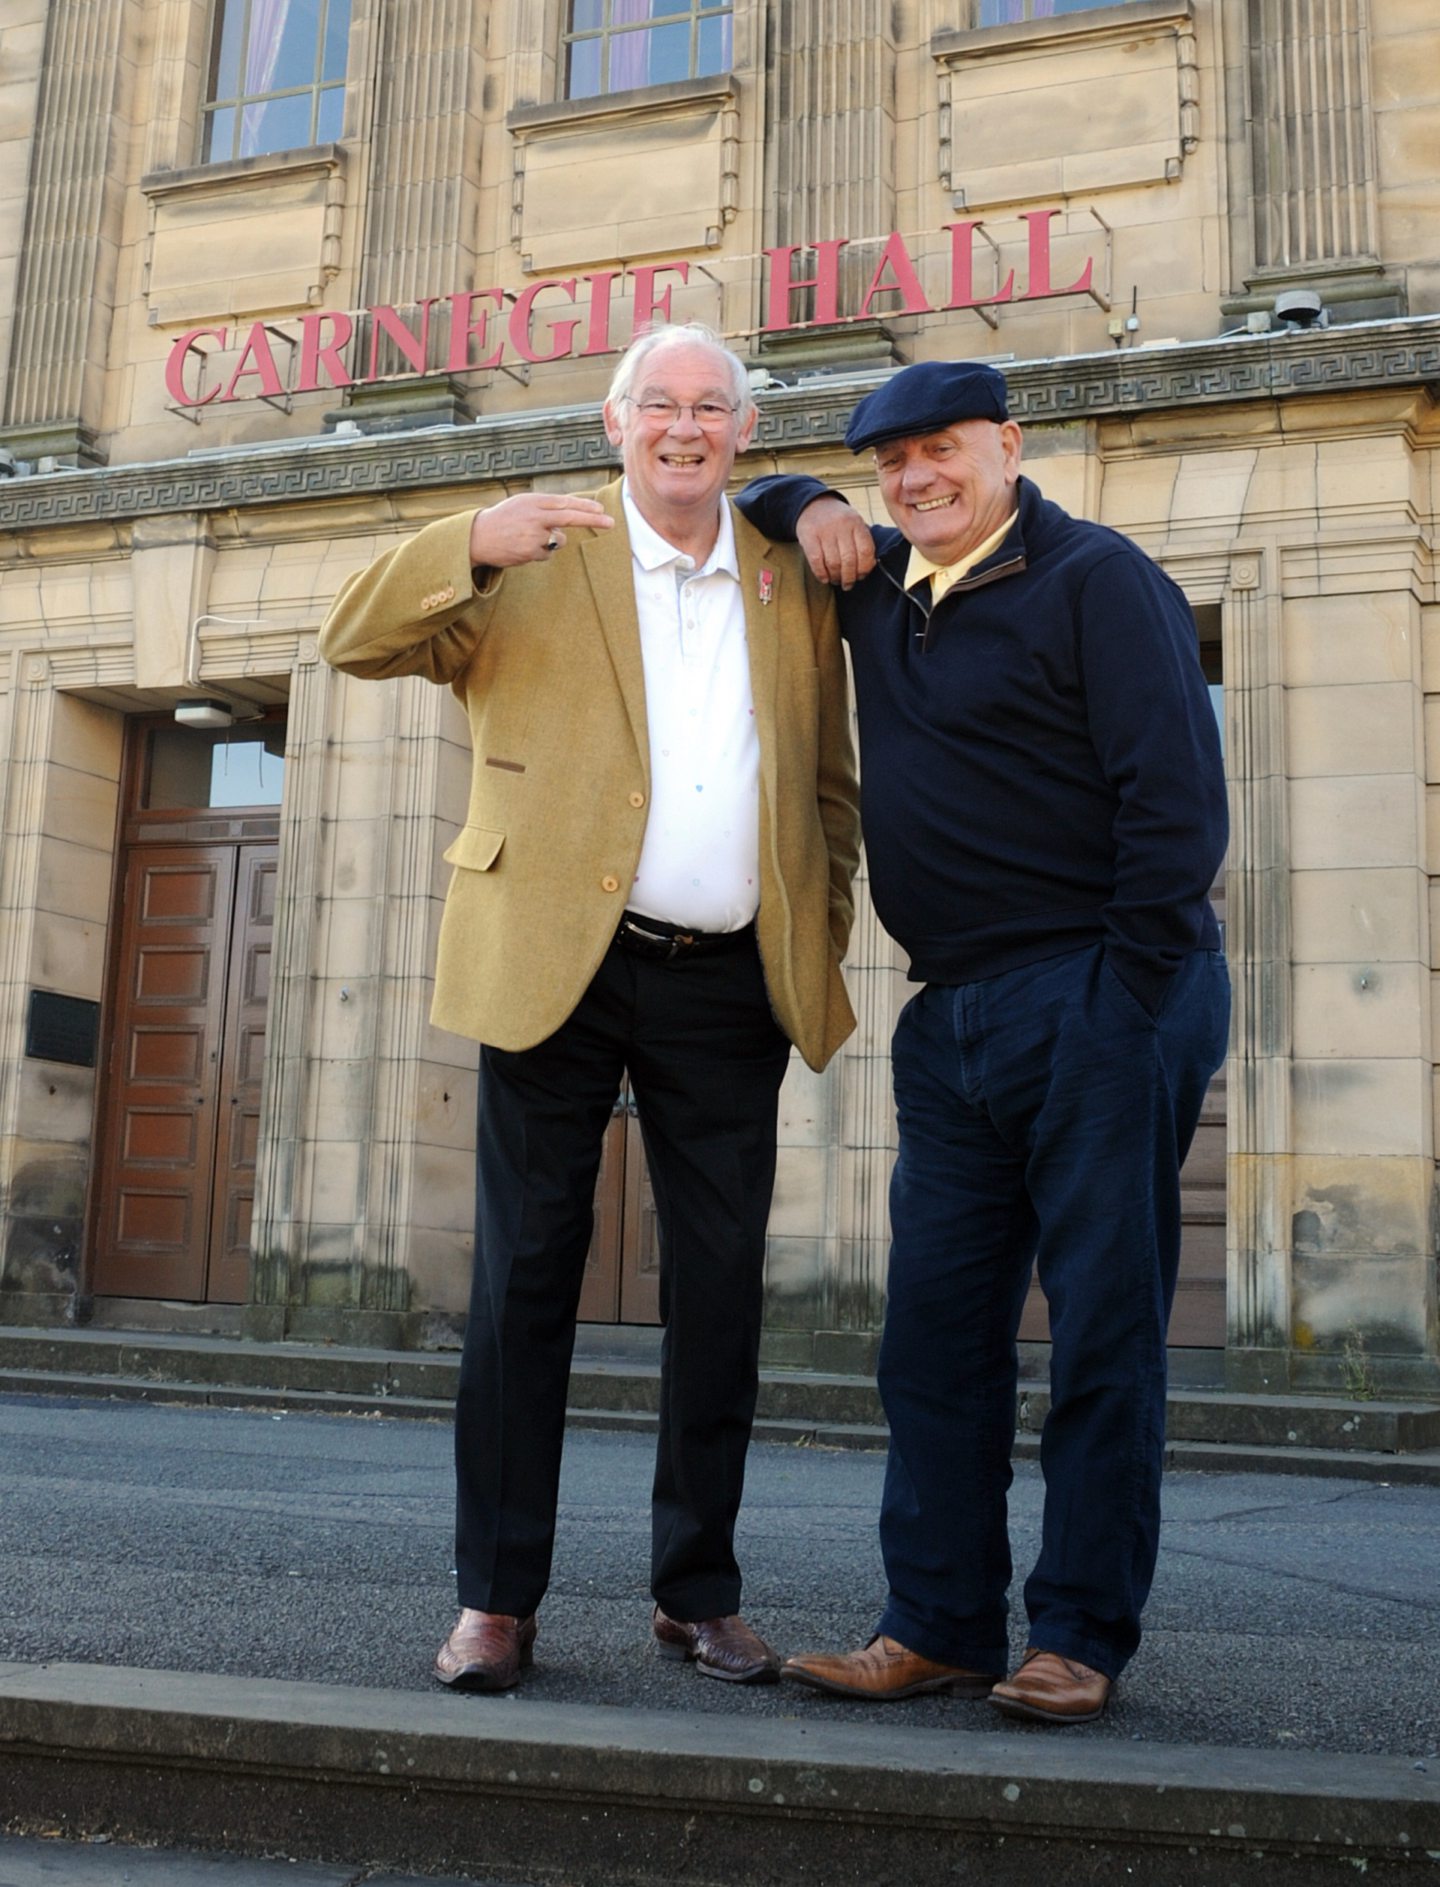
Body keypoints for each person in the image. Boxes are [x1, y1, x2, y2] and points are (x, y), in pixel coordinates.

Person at [319, 324, 860, 1693]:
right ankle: (497, 1602)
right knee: (525, 1284)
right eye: (658, 403)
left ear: (743, 432)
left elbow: (827, 788)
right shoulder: (533, 554)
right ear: (615, 424)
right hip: (555, 963)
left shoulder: (788, 575)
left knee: (722, 1292)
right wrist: (466, 539)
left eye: (711, 407)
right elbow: (354, 638)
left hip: (726, 979)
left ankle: (699, 1591)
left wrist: (818, 925)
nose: (685, 426)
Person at [735, 358, 1229, 1725]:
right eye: (891, 463)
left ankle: (1078, 1636)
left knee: (1103, 1333)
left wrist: (1126, 994)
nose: (916, 480)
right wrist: (811, 499)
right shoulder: (885, 581)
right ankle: (938, 1623)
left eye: (940, 449)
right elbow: (758, 496)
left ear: (1010, 446)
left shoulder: (1097, 580)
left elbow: (1177, 802)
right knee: (933, 1341)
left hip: (1100, 994)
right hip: (949, 1011)